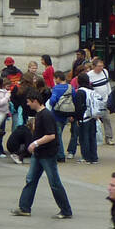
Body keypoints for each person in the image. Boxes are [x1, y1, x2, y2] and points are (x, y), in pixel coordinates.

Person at [12, 90, 73, 219]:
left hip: (47, 153)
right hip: (39, 153)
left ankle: (66, 210)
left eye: (29, 102)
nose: (28, 104)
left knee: (54, 182)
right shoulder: (40, 114)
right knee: (31, 179)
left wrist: (35, 143)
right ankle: (24, 207)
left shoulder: (46, 115)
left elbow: (51, 135)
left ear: (35, 101)